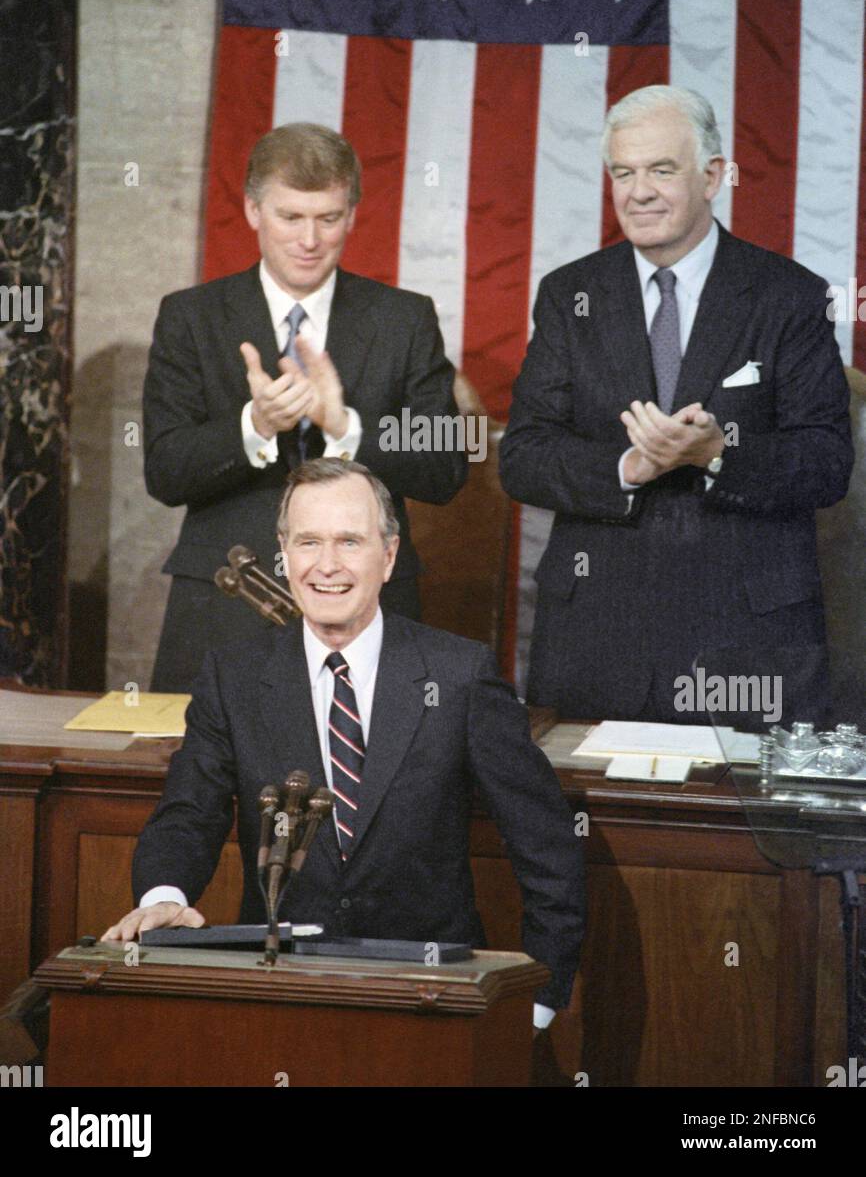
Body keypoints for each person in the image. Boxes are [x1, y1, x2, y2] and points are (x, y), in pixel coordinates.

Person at [103, 460, 584, 1030]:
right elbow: (188, 814)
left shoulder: (460, 675)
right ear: (283, 551)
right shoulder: (232, 677)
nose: (326, 566)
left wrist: (541, 1000)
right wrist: (163, 895)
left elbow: (548, 844)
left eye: (349, 542)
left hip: (431, 1000)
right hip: (278, 992)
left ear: (388, 556)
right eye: (308, 542)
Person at [499, 85, 853, 725]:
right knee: (585, 823)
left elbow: (826, 463)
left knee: (729, 829)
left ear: (713, 175)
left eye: (662, 170)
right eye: (623, 172)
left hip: (747, 645)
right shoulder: (570, 295)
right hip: (596, 641)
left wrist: (720, 454)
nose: (639, 192)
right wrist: (626, 469)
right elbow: (523, 456)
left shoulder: (788, 296)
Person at [144, 123, 467, 693]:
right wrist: (255, 425)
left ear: (352, 216)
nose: (309, 240)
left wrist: (347, 429)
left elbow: (444, 468)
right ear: (252, 210)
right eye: (290, 217)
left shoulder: (403, 318)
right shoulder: (190, 316)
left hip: (370, 611)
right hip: (224, 603)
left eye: (327, 218)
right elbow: (165, 470)